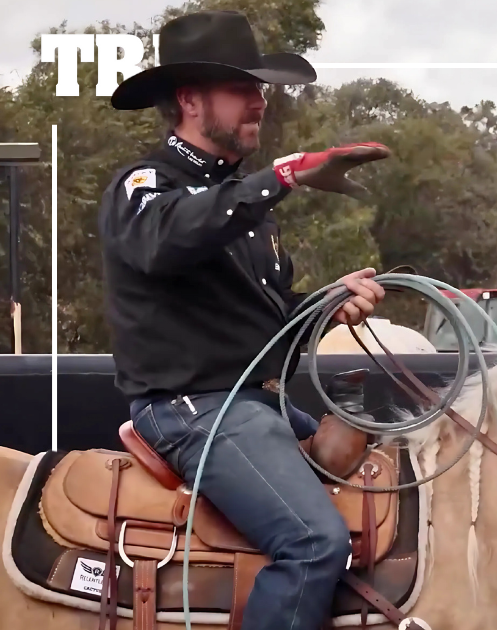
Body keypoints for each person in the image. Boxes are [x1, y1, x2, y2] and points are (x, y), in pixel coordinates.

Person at [98, 10, 389, 630]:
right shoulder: (144, 186)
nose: (259, 101)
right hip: (190, 409)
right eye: (241, 88)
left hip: (252, 404)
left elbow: (262, 323)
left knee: (389, 477)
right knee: (314, 542)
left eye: (259, 88)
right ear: (189, 100)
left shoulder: (245, 206)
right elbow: (165, 240)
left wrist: (326, 304)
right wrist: (282, 175)